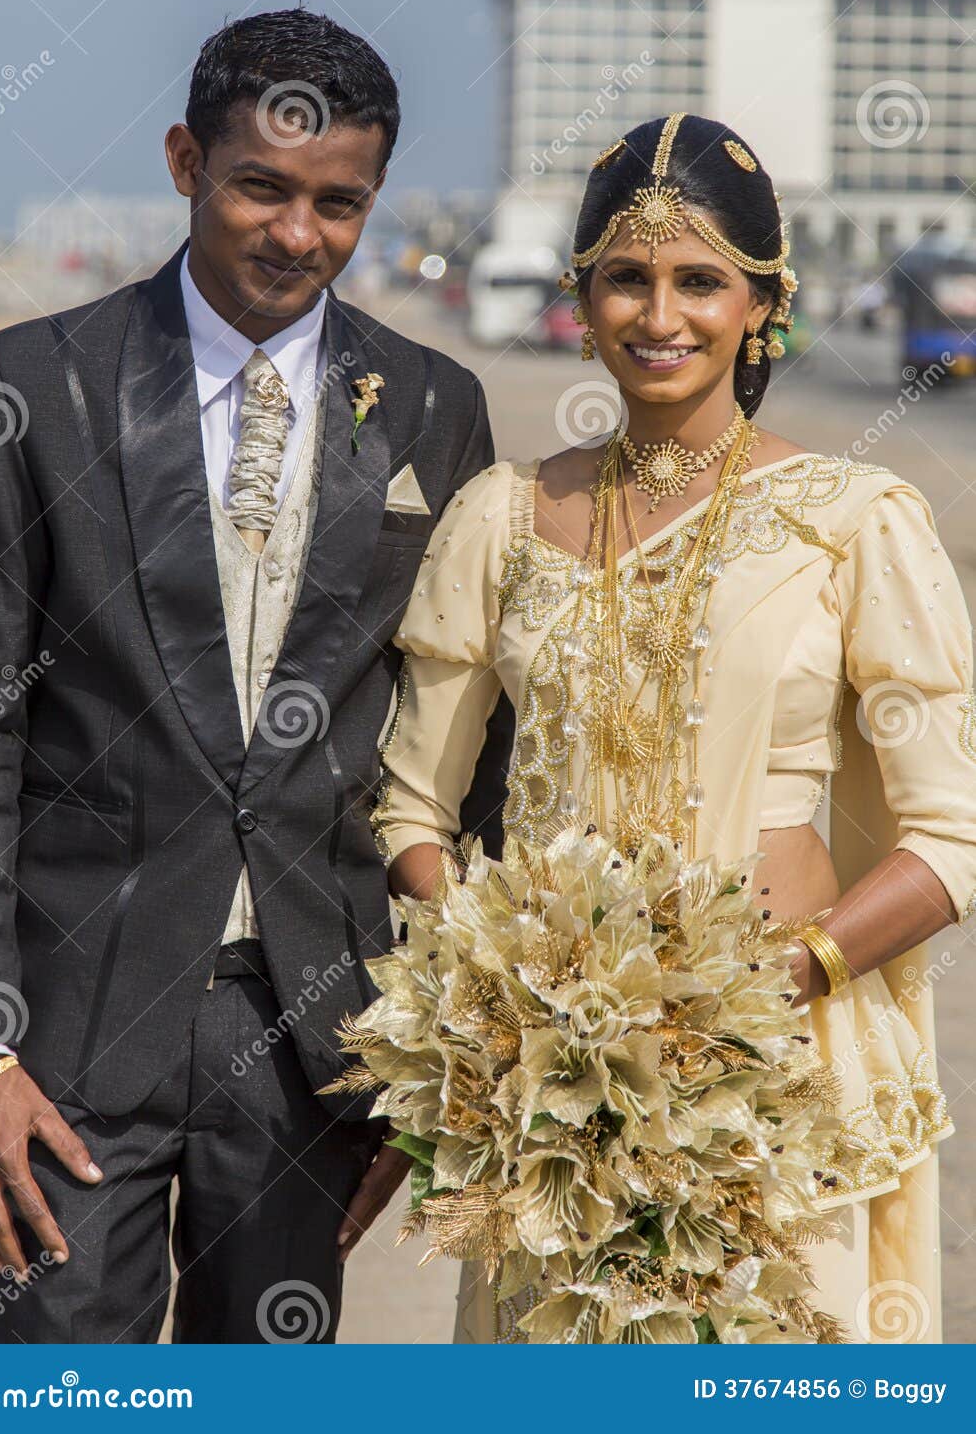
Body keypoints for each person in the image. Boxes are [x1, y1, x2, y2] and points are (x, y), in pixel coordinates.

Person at [0, 7, 511, 1343]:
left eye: (338, 202)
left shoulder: (428, 405)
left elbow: (466, 741)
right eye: (263, 187)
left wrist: (440, 1049)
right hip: (68, 1023)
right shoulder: (35, 385)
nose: (297, 232)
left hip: (315, 1035)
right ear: (188, 161)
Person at [370, 113, 976, 1344]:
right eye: (625, 278)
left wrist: (772, 980)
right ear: (581, 300)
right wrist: (497, 998)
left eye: (700, 280)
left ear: (763, 304)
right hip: (548, 1103)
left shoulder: (851, 520)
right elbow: (411, 810)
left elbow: (949, 834)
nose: (660, 315)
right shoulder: (500, 517)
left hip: (777, 1081)